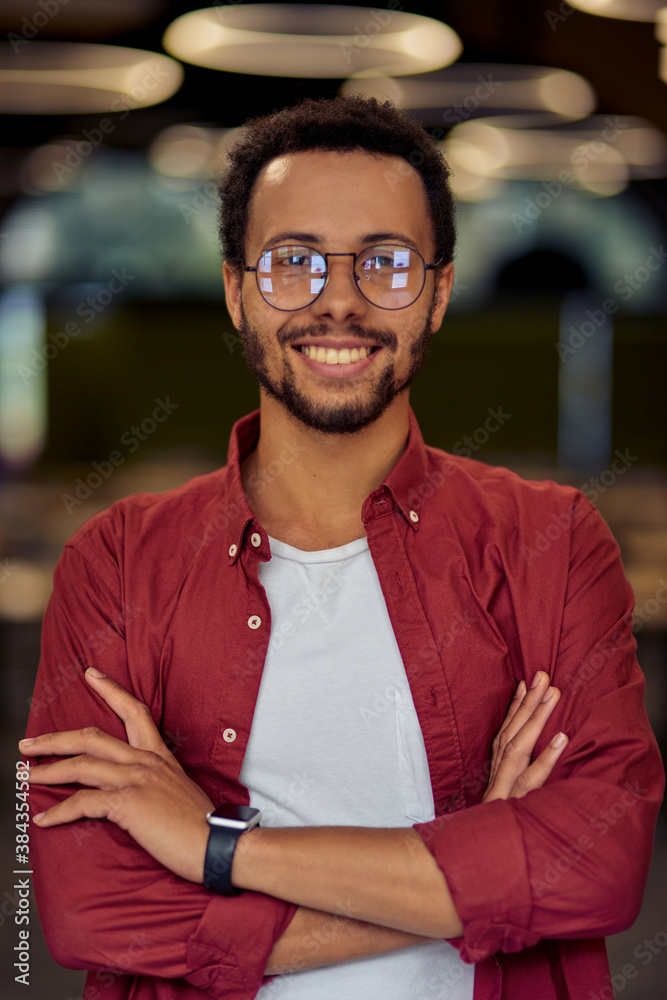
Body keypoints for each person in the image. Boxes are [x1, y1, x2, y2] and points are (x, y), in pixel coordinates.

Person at [22, 96, 663, 1000]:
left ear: (437, 292)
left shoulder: (550, 542)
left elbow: (596, 864)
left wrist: (214, 845)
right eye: (292, 261)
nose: (338, 301)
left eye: (386, 262)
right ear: (235, 287)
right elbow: (86, 908)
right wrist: (479, 874)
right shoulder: (117, 562)